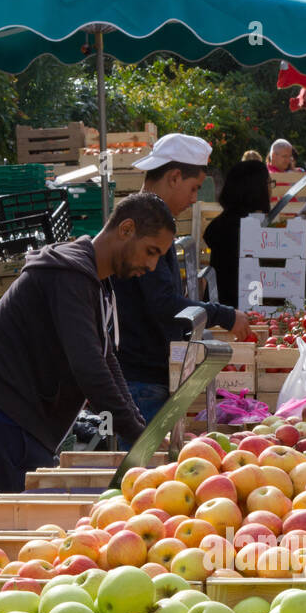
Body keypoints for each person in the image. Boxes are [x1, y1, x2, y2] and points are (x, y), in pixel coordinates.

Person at [0, 193, 174, 492]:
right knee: (40, 524)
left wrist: (145, 432)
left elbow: (106, 358)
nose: (152, 265)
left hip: (24, 421)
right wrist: (141, 438)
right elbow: (89, 369)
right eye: (151, 251)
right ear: (126, 229)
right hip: (3, 416)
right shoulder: (70, 277)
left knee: (44, 521)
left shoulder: (95, 281)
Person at [113, 133, 249, 428]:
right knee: (143, 467)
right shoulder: (144, 227)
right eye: (194, 188)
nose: (194, 198)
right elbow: (163, 304)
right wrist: (223, 315)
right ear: (174, 177)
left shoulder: (150, 219)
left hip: (145, 372)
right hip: (140, 378)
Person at [203, 159, 272, 306]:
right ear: (256, 188)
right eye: (268, 183)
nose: (270, 189)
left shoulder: (225, 221)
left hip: (222, 306)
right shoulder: (243, 228)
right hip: (233, 312)